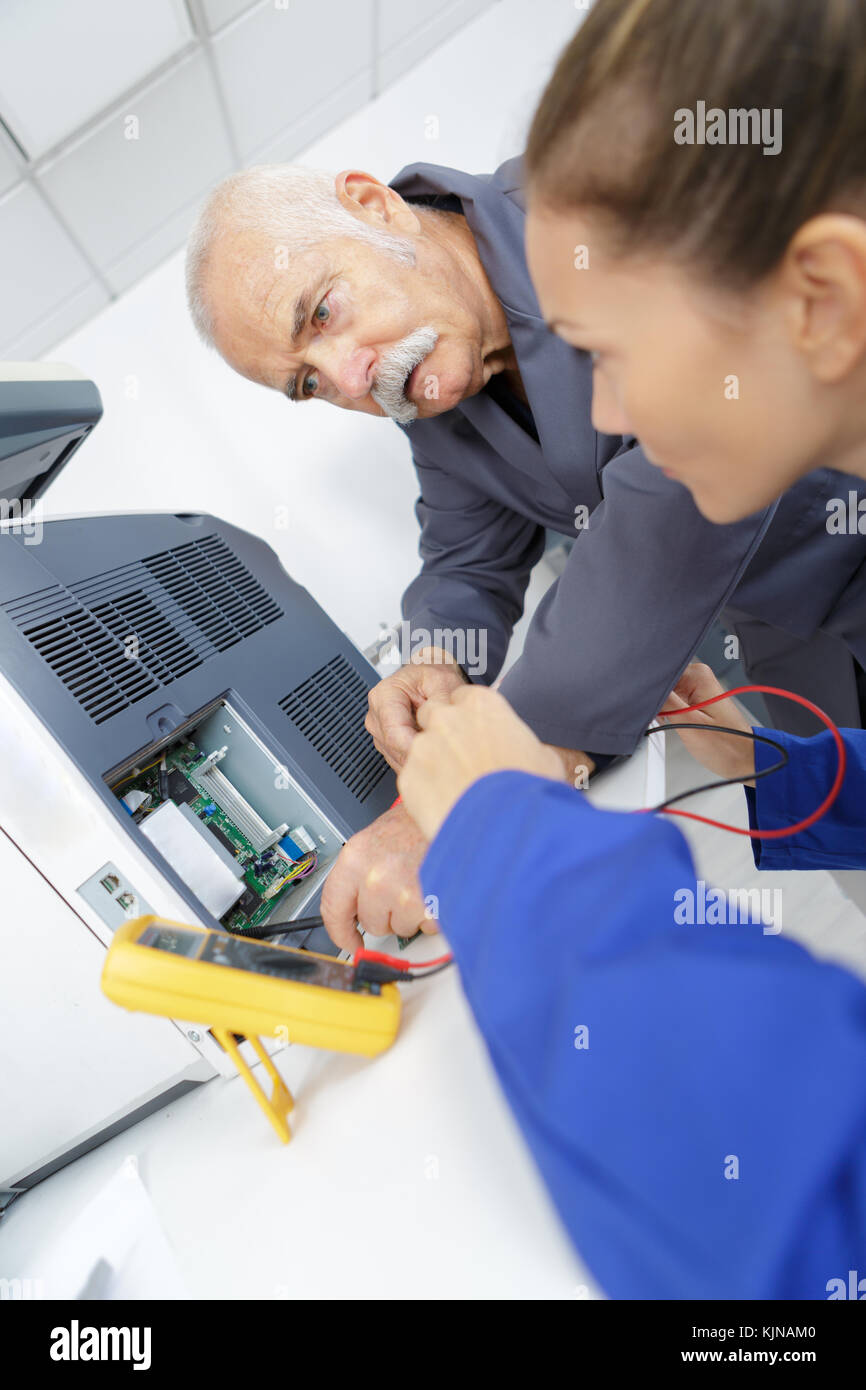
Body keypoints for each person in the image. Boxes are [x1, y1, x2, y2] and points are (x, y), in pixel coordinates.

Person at [396, 0, 866, 1298]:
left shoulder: (578, 222)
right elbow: (462, 561)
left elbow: (810, 1212)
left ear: (820, 297)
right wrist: (773, 776)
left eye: (603, 356)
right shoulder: (441, 408)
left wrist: (496, 829)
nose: (604, 417)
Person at [184, 156, 866, 949]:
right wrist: (436, 656)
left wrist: (469, 789)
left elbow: (671, 498)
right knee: (829, 803)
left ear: (374, 206)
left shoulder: (601, 205)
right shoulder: (436, 389)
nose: (351, 377)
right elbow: (467, 551)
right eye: (309, 385)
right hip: (797, 621)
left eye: (324, 314)